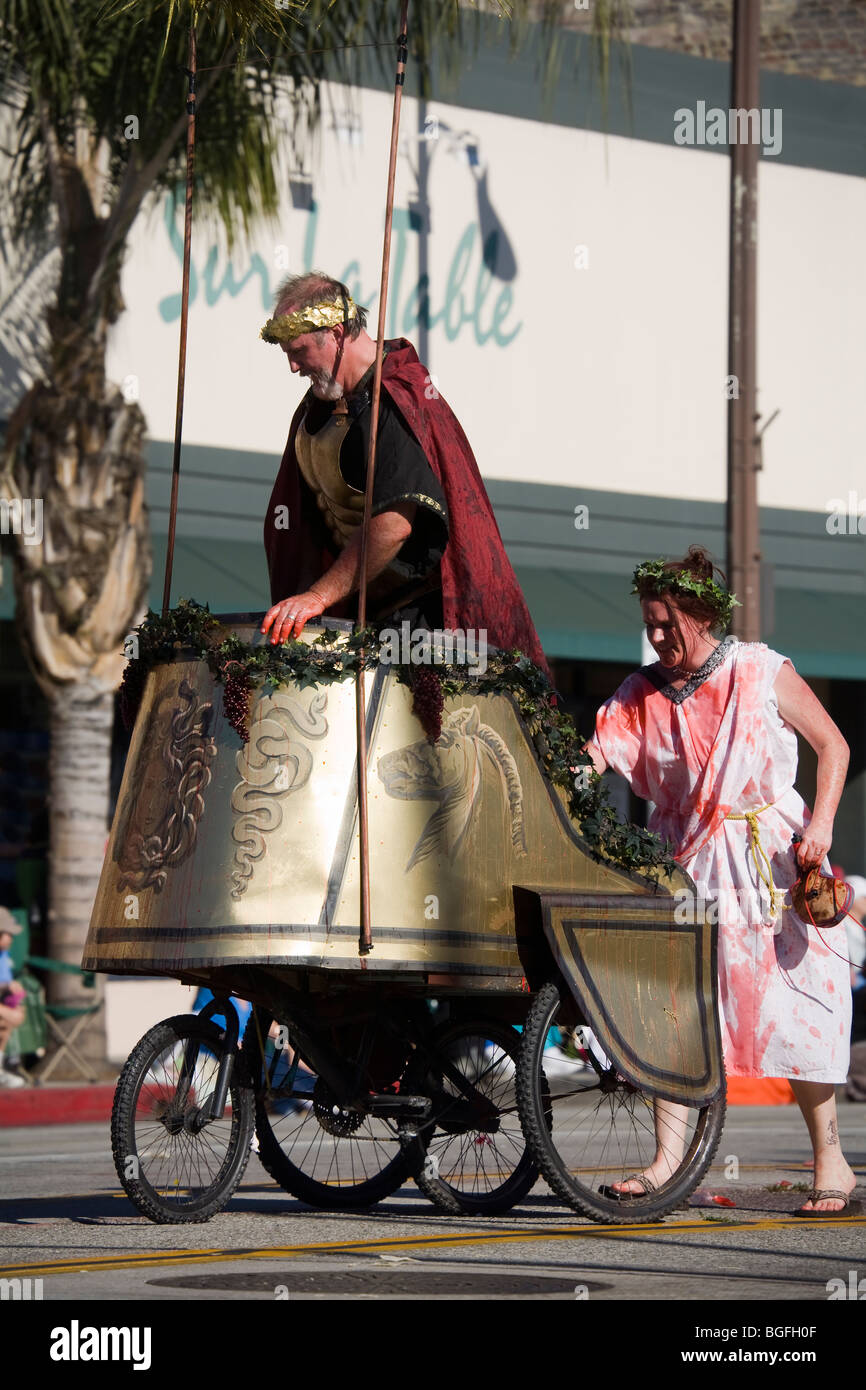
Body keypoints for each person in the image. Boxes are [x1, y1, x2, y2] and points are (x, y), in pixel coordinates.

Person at [584, 546, 859, 1216]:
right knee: (676, 1011)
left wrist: (820, 825)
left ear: (701, 613)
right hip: (687, 867)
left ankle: (833, 1163)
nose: (654, 636)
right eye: (648, 624)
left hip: (770, 863)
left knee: (798, 1008)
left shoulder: (761, 670)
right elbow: (595, 758)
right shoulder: (640, 694)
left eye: (665, 624)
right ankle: (666, 1164)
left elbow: (834, 745)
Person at [258, 271, 549, 676]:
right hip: (364, 620)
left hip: (422, 625)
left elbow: (393, 523)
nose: (292, 367)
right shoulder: (320, 409)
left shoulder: (395, 398)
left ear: (337, 334)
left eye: (299, 350)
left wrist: (318, 596)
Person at [0, 907, 28, 1089]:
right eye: (8, 934)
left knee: (5, 1024)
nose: (11, 938)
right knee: (12, 1017)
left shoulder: (4, 956)